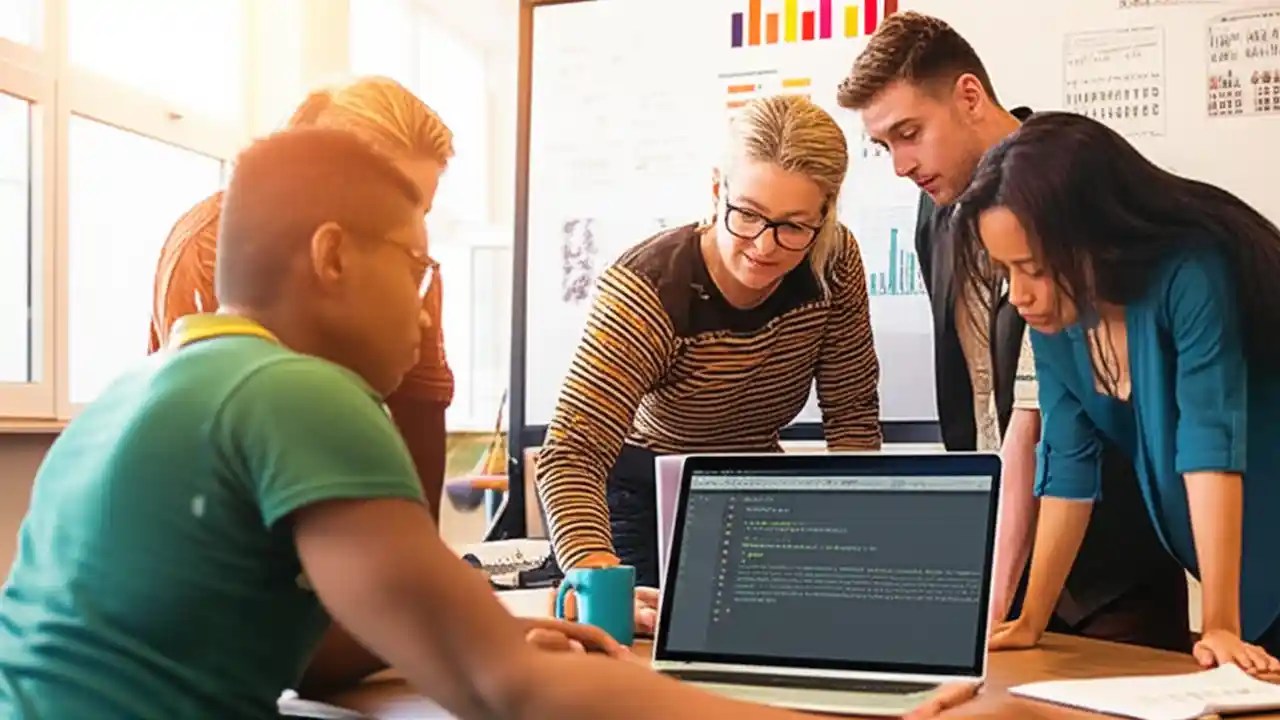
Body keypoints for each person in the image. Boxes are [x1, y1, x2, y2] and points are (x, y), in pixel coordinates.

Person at [0, 128, 979, 720]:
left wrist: (482, 632)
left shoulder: (145, 389)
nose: (429, 308)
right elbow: (504, 692)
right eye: (417, 265)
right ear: (334, 256)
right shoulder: (295, 392)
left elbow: (291, 645)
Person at [835, 11, 1191, 651]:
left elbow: (1035, 419)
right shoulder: (935, 214)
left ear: (969, 95)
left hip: (1110, 576)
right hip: (1001, 560)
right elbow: (978, 402)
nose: (900, 165)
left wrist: (990, 609)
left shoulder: (1070, 185)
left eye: (909, 134)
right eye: (885, 145)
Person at [950, 110, 1280, 671]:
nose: (1019, 295)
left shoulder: (1191, 273)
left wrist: (1221, 623)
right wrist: (1031, 619)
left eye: (1031, 267)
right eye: (1006, 271)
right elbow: (1068, 470)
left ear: (1092, 236)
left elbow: (1209, 442)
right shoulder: (1058, 320)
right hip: (1247, 576)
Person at [536, 95, 882, 589]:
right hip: (641, 492)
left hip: (757, 488)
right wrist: (597, 578)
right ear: (717, 188)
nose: (764, 246)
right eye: (747, 213)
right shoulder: (649, 289)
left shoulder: (833, 259)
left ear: (825, 215)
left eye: (793, 226)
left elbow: (851, 417)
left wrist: (859, 541)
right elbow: (572, 454)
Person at [148, 76, 453, 522]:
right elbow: (217, 440)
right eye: (397, 204)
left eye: (421, 211)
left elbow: (419, 420)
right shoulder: (212, 247)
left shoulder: (411, 266)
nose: (414, 238)